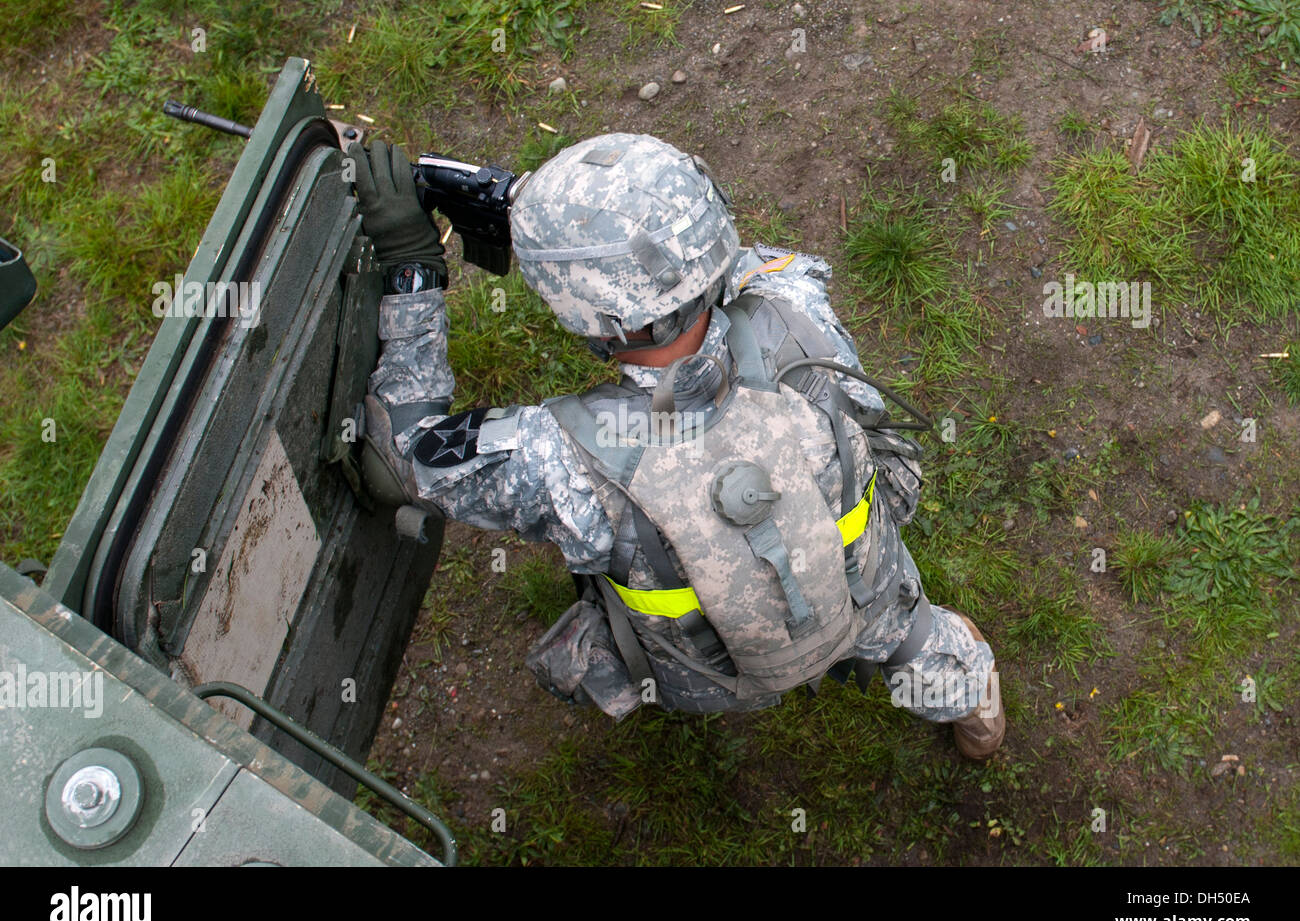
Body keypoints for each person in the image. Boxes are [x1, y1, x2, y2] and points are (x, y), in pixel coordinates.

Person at [348, 133, 1004, 759]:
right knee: (918, 643)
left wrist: (412, 267)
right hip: (867, 592)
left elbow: (401, 457)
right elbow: (729, 267)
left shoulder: (560, 461)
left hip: (707, 671)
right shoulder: (797, 304)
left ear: (590, 323)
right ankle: (969, 699)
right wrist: (594, 228)